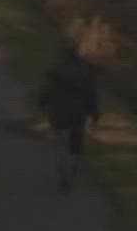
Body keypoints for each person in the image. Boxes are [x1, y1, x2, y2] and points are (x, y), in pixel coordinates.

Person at [38, 45, 101, 192]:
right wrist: (94, 113)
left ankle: (63, 174)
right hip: (78, 114)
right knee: (75, 145)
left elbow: (46, 91)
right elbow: (91, 95)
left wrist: (41, 103)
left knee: (61, 144)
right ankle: (71, 172)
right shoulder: (86, 73)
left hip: (58, 112)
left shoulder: (55, 72)